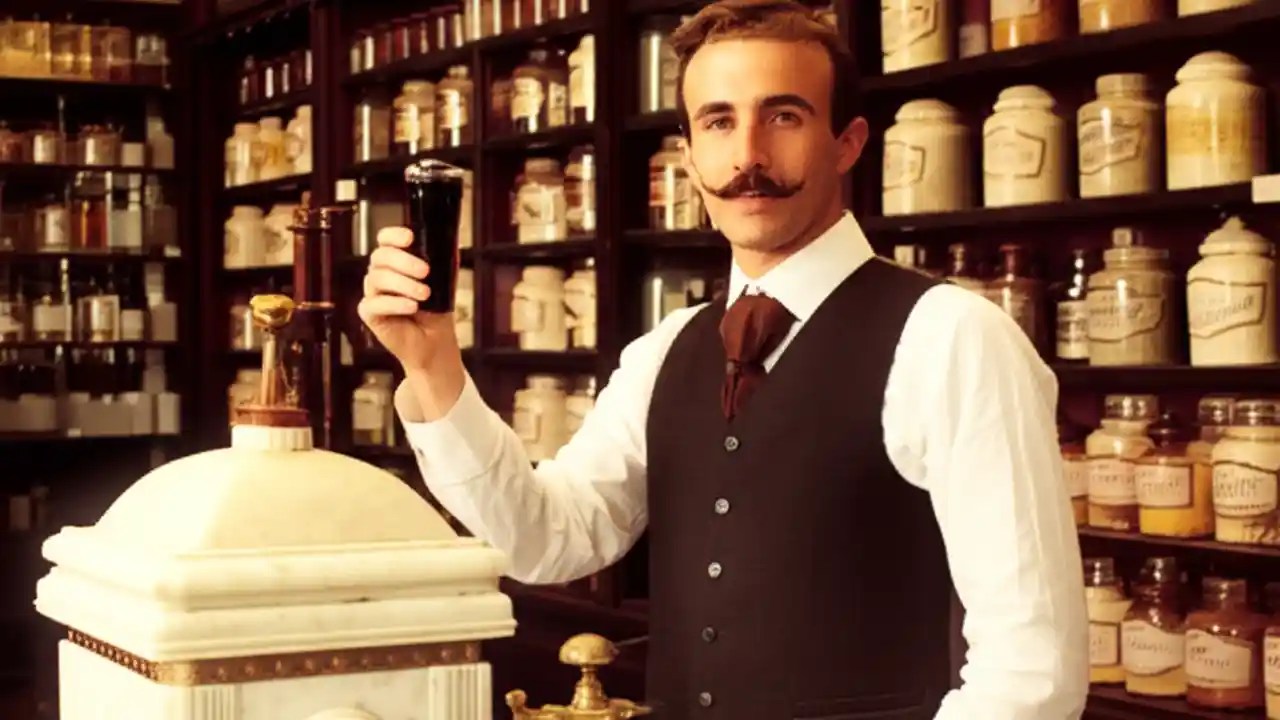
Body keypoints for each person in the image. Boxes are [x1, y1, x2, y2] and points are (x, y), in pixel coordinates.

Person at [358, 0, 1089, 717]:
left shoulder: (954, 337)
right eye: (718, 122)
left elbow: (1032, 671)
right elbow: (548, 538)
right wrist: (433, 367)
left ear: (847, 143)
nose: (748, 157)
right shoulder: (666, 349)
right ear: (689, 154)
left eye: (784, 116)